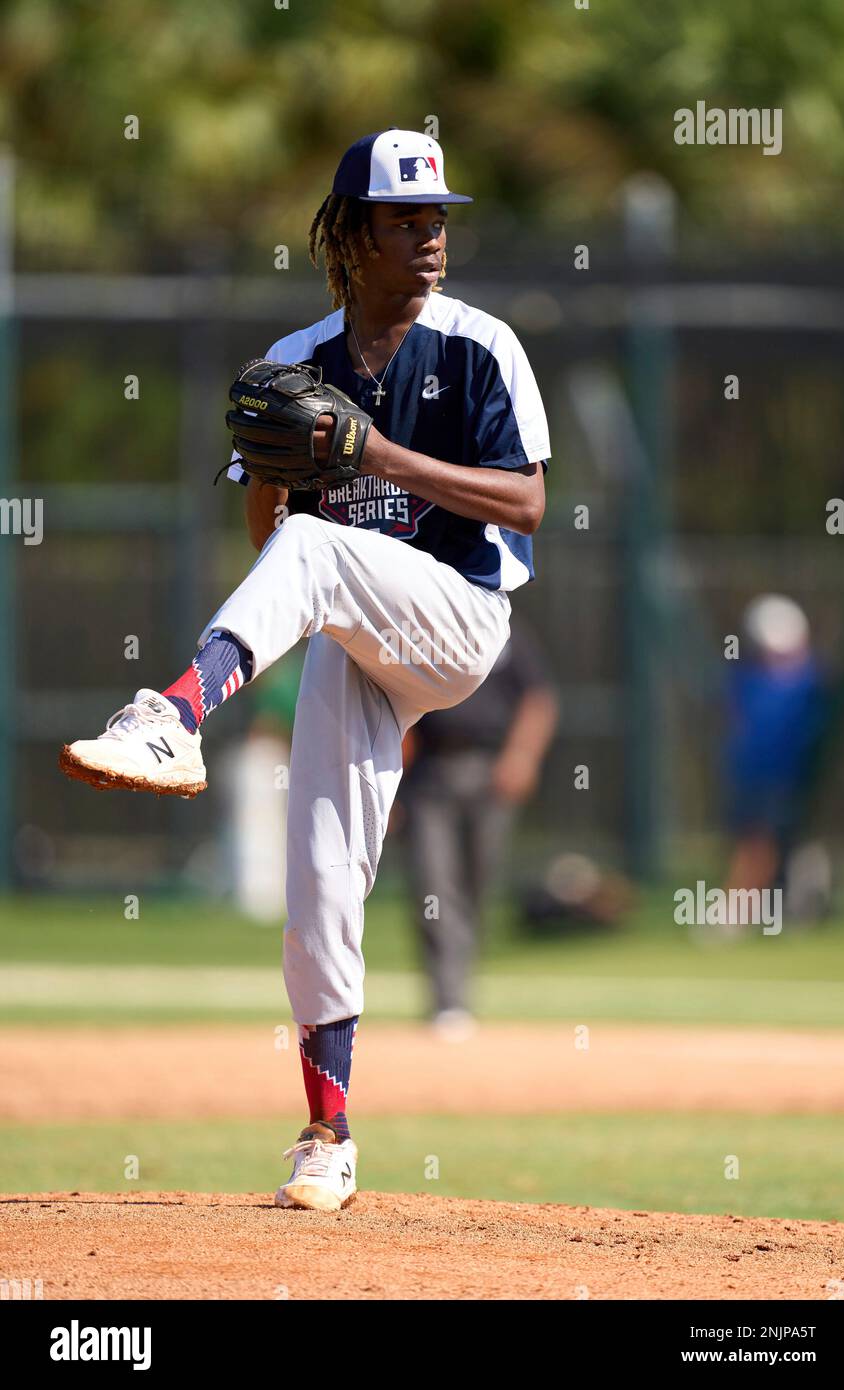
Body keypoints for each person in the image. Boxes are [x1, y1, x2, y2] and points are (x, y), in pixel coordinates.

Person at [58, 129, 551, 1212]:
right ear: (349, 233)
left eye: (437, 219)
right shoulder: (301, 361)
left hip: (458, 620)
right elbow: (267, 537)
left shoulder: (480, 348)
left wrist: (372, 458)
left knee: (322, 550)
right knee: (318, 881)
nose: (428, 238)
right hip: (353, 636)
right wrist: (278, 465)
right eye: (403, 220)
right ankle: (327, 1134)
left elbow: (524, 505)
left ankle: (172, 715)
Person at [399, 619, 557, 1038]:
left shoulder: (503, 632)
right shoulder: (418, 633)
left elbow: (538, 698)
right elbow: (396, 709)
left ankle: (460, 990)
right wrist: (391, 784)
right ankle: (448, 1001)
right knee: (433, 886)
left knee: (475, 885)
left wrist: (522, 756)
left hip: (491, 773)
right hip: (430, 775)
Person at [725, 594, 827, 912]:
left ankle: (741, 911)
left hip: (795, 779)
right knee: (756, 840)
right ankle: (753, 908)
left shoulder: (813, 681)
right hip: (754, 779)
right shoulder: (745, 680)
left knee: (770, 843)